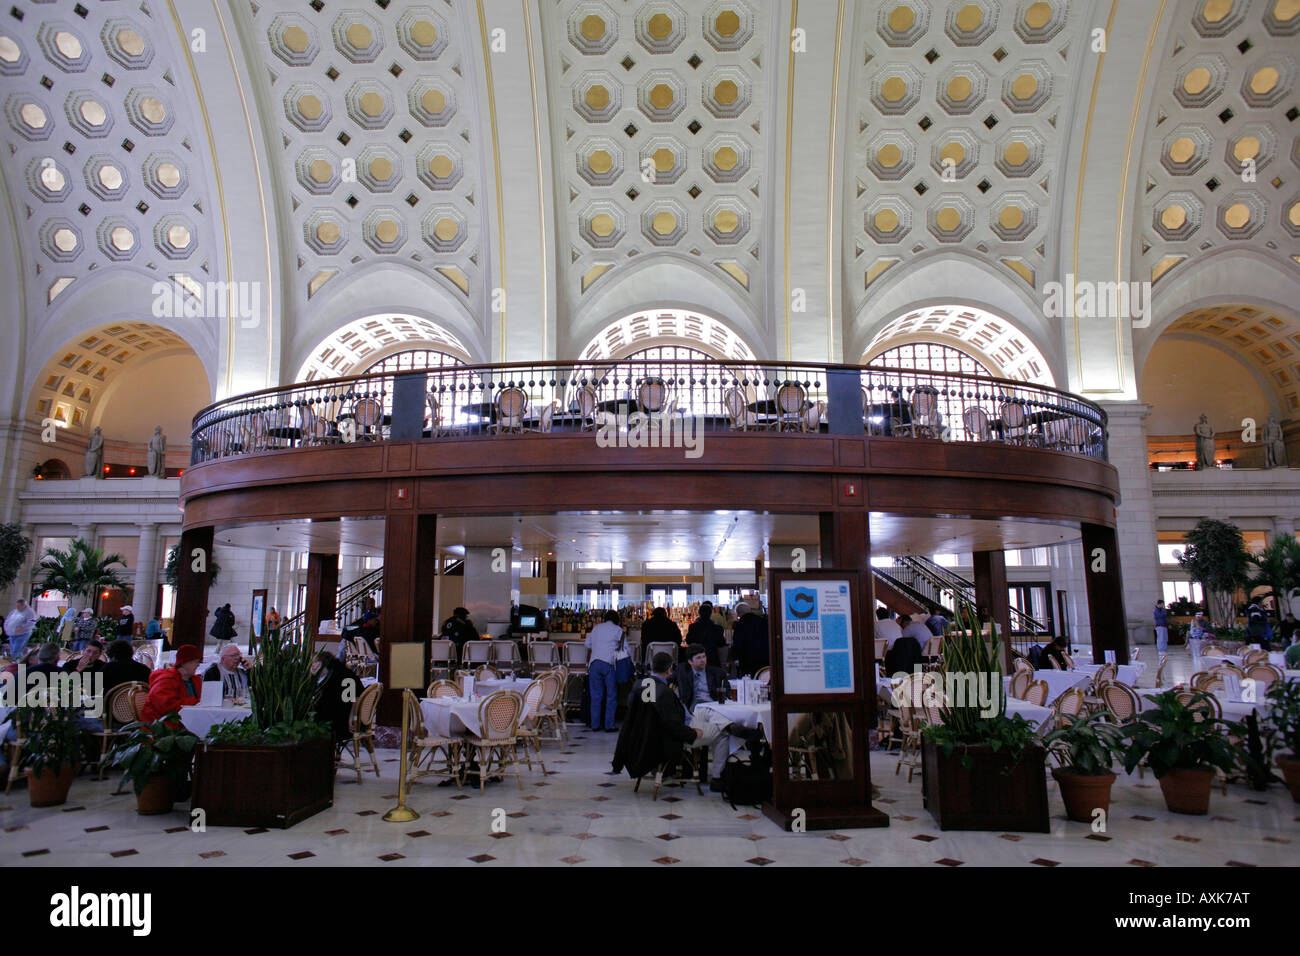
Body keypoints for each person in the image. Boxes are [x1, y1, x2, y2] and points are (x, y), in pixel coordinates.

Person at [611, 652, 703, 782]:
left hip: (637, 741)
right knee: (706, 733)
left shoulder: (638, 685)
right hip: (657, 745)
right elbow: (672, 724)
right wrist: (692, 733)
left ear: (651, 666)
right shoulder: (665, 692)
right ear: (669, 669)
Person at [140, 644, 203, 723]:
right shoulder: (166, 680)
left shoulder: (194, 680)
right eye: (195, 662)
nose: (198, 665)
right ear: (184, 663)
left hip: (186, 720)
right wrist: (197, 702)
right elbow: (166, 706)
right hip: (163, 725)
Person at [585, 609, 623, 732]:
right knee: (611, 695)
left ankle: (595, 724)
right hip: (609, 664)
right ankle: (609, 725)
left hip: (594, 663)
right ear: (617, 620)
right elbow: (625, 648)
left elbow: (587, 644)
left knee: (596, 695)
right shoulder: (618, 630)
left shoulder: (596, 628)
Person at [311, 651, 360, 745]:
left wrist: (352, 717)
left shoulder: (343, 678)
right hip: (338, 720)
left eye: (315, 662)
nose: (312, 666)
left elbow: (351, 700)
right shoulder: (341, 673)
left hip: (337, 724)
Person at [731, 602, 769, 677]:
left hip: (747, 659)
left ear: (739, 614)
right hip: (763, 657)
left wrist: (736, 657)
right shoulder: (762, 621)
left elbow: (737, 642)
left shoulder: (740, 624)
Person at [685, 601, 725, 668]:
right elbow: (722, 643)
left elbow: (688, 641)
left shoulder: (693, 627)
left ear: (699, 613)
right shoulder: (717, 628)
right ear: (710, 613)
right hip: (713, 660)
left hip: (696, 660)